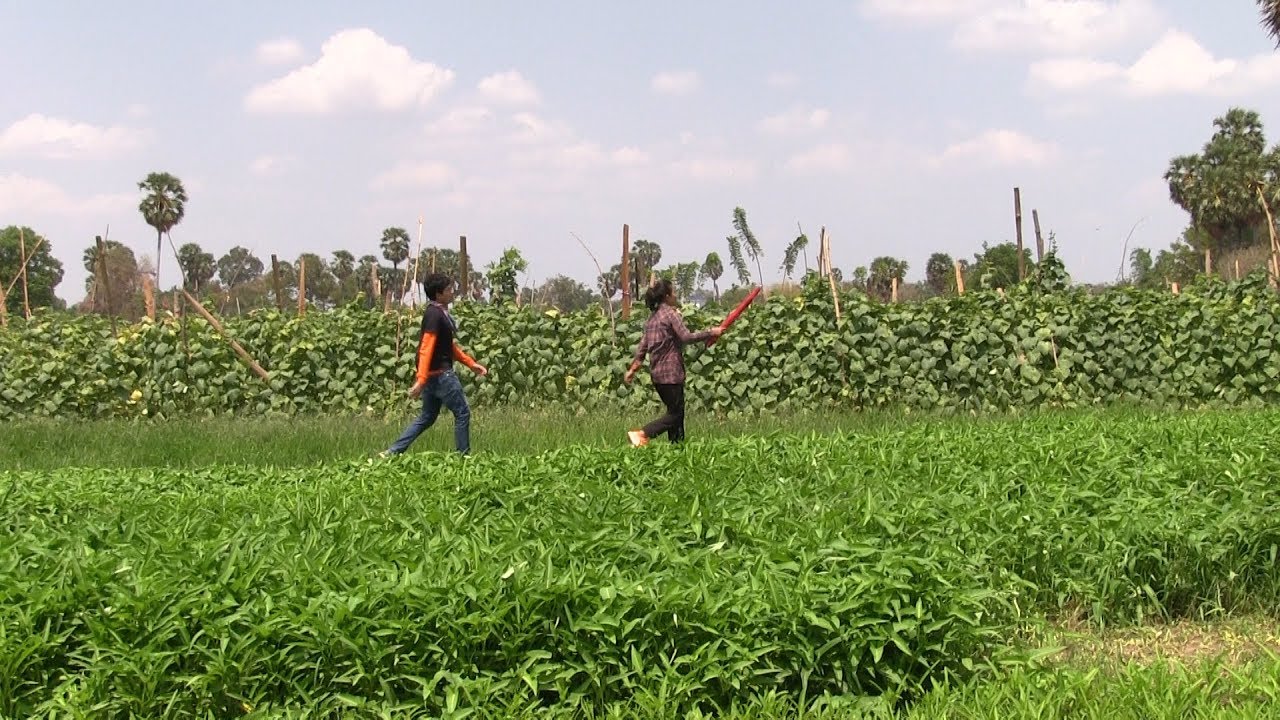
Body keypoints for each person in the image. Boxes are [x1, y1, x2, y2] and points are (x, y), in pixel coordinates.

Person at [383, 273, 488, 456]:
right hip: (441, 374)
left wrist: (471, 364)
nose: (452, 292)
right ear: (438, 294)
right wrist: (421, 379)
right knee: (462, 413)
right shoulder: (434, 315)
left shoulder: (439, 313)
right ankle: (464, 457)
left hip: (434, 375)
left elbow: (448, 346)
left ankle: (392, 452)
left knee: (427, 417)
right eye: (448, 289)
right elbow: (426, 347)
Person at [623, 278, 723, 446]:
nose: (676, 295)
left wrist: (632, 370)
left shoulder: (652, 319)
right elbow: (686, 337)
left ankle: (677, 449)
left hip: (657, 376)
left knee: (675, 413)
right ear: (667, 296)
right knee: (676, 415)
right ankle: (643, 433)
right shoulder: (670, 314)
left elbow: (642, 348)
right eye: (674, 292)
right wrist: (711, 332)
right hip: (671, 374)